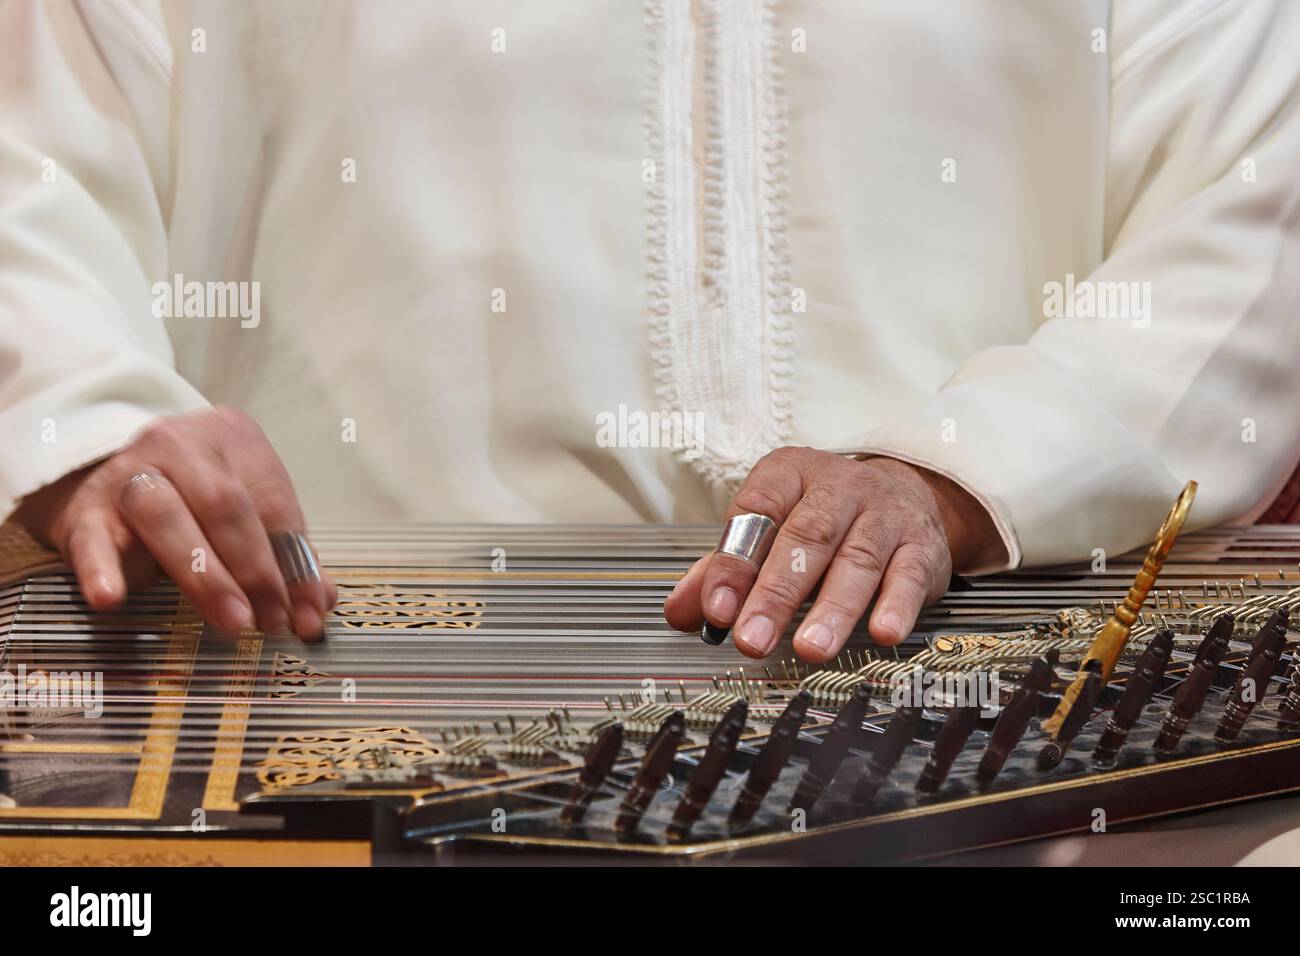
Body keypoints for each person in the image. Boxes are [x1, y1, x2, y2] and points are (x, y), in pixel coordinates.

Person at [3, 1, 1299, 663]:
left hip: (979, 693)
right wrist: (90, 426)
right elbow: (31, 170)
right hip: (332, 684)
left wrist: (962, 476)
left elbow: (1260, 194)